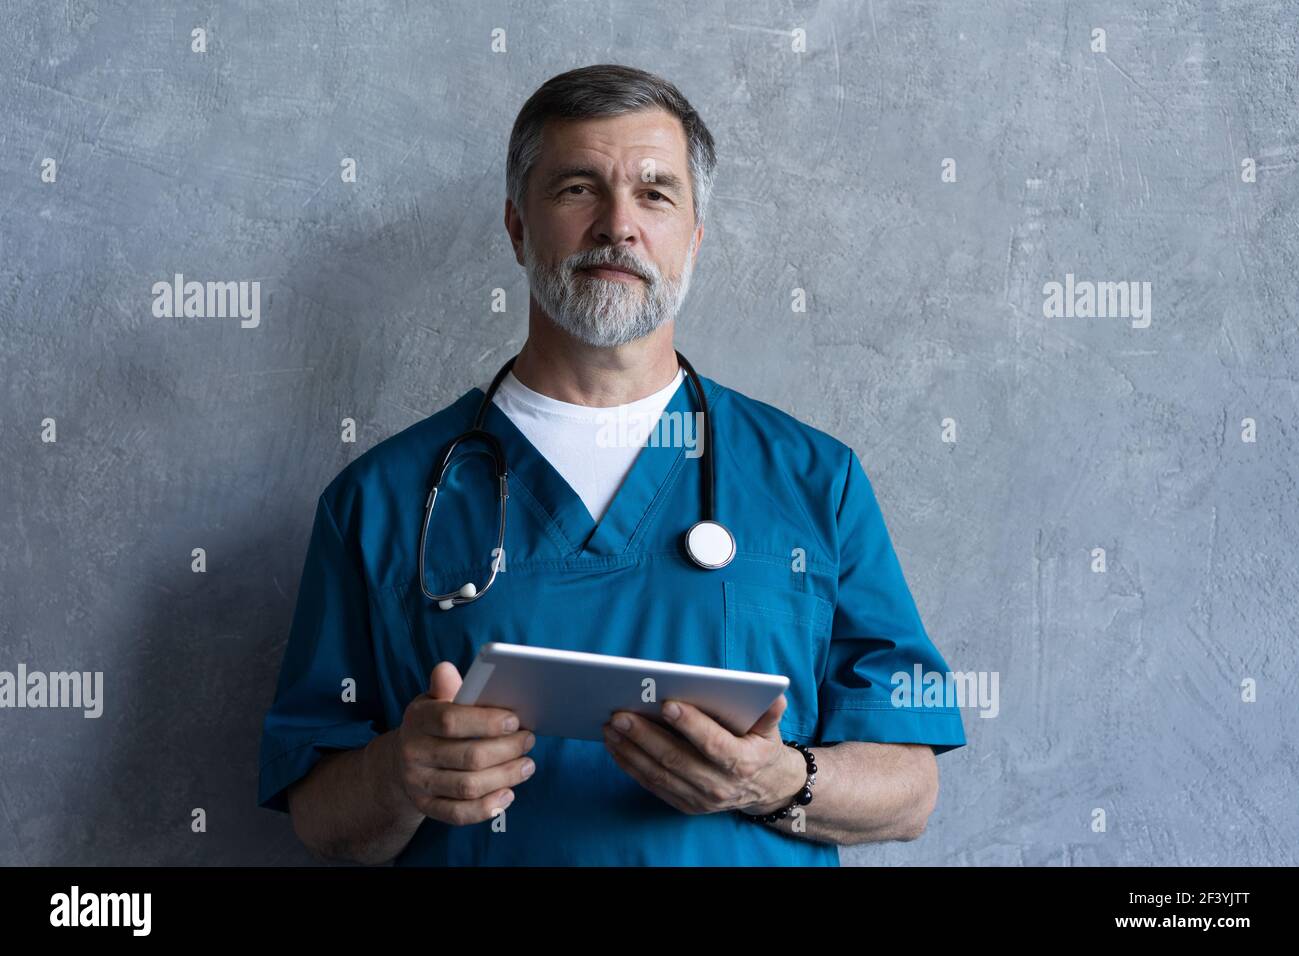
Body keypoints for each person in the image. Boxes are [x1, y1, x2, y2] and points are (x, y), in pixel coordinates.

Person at [257, 63, 966, 866]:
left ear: (693, 238)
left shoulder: (814, 481)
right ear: (518, 228)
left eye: (655, 193)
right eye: (577, 189)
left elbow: (911, 790)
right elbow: (318, 814)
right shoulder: (381, 498)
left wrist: (777, 782)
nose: (617, 225)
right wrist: (399, 775)